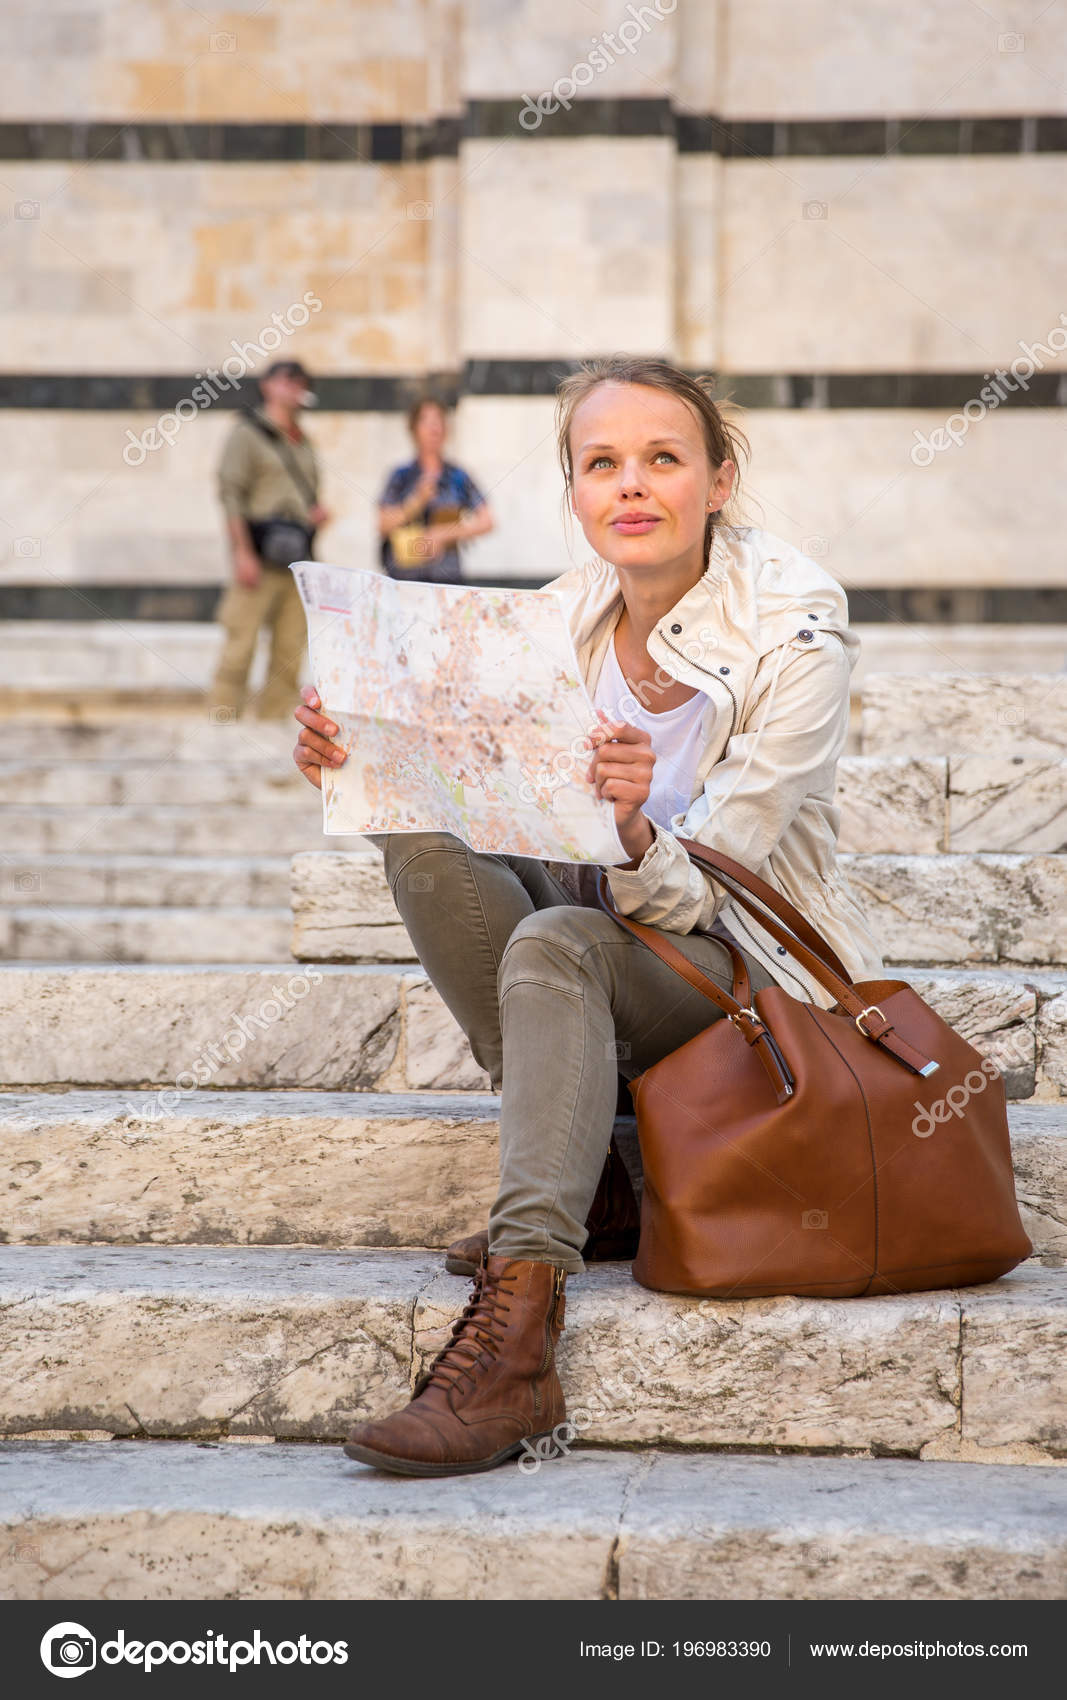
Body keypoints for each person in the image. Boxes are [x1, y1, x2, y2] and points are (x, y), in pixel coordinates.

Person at [292, 354, 887, 1479]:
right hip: (600, 931)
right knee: (416, 826)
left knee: (554, 940)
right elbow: (482, 792)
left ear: (716, 478)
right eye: (600, 463)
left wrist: (627, 827)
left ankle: (519, 1337)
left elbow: (713, 881)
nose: (631, 486)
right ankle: (601, 1179)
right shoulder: (560, 614)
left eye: (662, 458)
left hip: (742, 972)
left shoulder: (797, 627)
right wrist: (357, 752)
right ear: (571, 489)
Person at [207, 359, 331, 720]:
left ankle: (276, 725)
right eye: (287, 381)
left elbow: (307, 493)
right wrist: (242, 552)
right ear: (268, 385)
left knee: (289, 650)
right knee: (239, 645)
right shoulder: (246, 433)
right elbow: (232, 495)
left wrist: (315, 516)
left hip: (297, 555)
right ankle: (222, 723)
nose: (294, 389)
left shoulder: (304, 441)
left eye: (300, 383)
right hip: (258, 554)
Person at [377, 397, 494, 583]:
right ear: (413, 430)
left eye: (439, 422)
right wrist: (416, 502)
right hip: (405, 581)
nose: (434, 429)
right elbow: (383, 525)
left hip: (447, 580)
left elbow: (487, 521)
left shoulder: (458, 476)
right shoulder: (401, 476)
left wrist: (442, 535)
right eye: (426, 422)